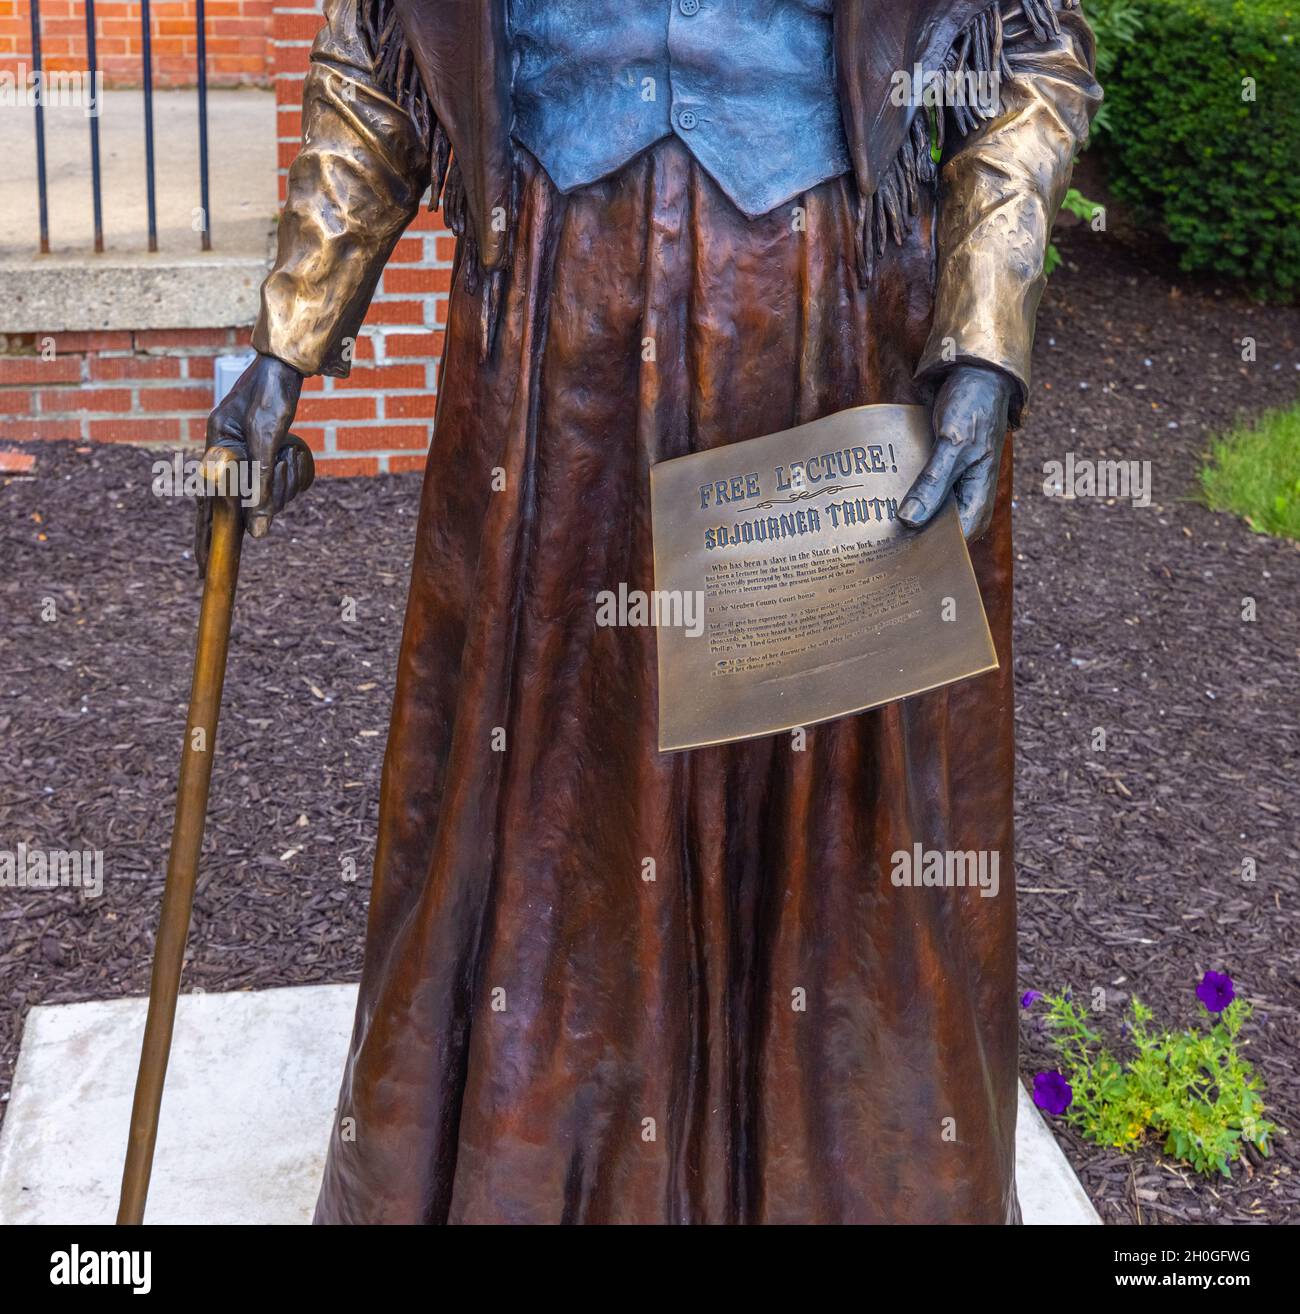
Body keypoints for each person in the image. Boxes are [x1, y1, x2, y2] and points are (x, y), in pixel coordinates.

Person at [203, 0, 1100, 1223]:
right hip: (552, 340)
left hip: (817, 325)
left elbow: (1026, 53)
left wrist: (985, 338)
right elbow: (380, 52)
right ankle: (549, 1164)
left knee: (823, 802)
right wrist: (286, 336)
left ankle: (814, 1176)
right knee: (558, 776)